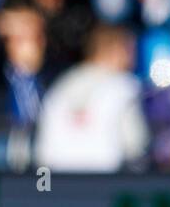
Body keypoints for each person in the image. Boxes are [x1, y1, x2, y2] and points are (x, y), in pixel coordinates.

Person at [35, 22, 148, 172]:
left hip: (57, 184)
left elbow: (41, 152)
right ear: (116, 50)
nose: (133, 59)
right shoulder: (124, 87)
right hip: (106, 184)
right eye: (130, 51)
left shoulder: (58, 87)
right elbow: (136, 146)